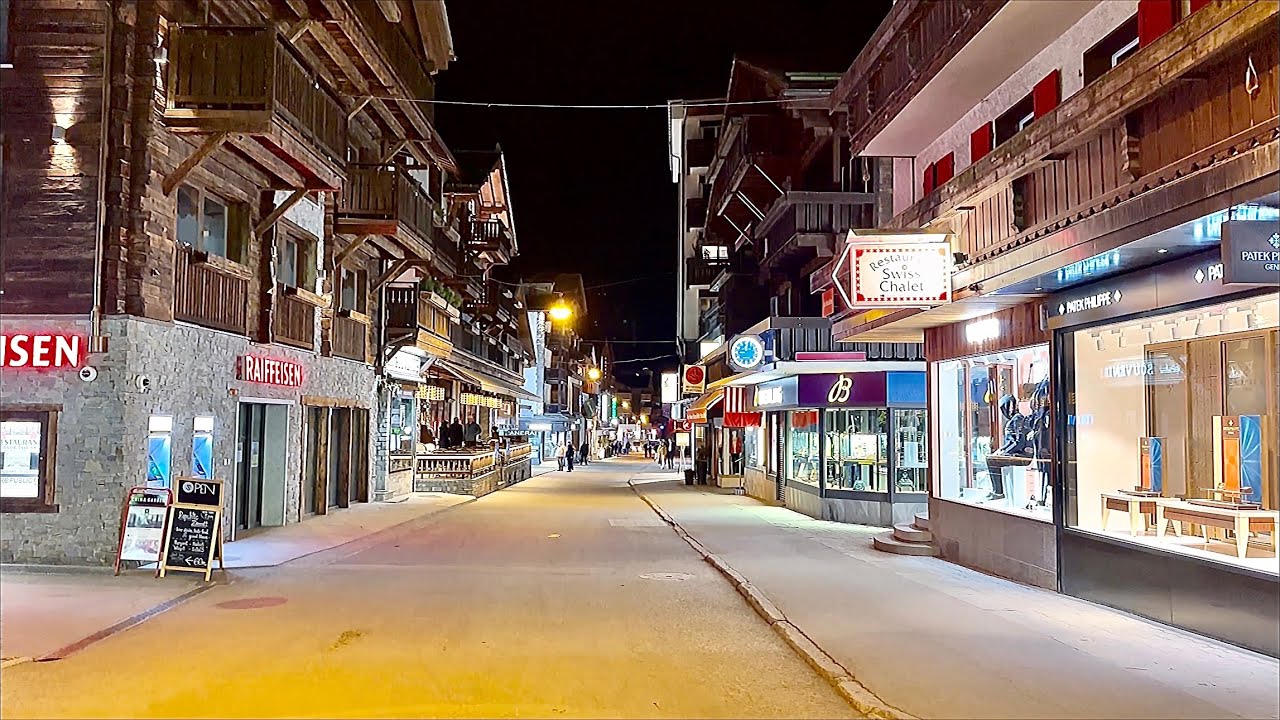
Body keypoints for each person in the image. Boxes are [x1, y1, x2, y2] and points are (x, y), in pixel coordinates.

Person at [984, 394, 1033, 501]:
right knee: (992, 457)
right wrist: (1002, 450)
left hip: (1022, 455)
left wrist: (1004, 452)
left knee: (991, 460)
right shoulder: (1016, 419)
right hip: (1018, 453)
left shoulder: (1017, 420)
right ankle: (997, 490)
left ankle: (998, 491)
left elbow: (1019, 442)